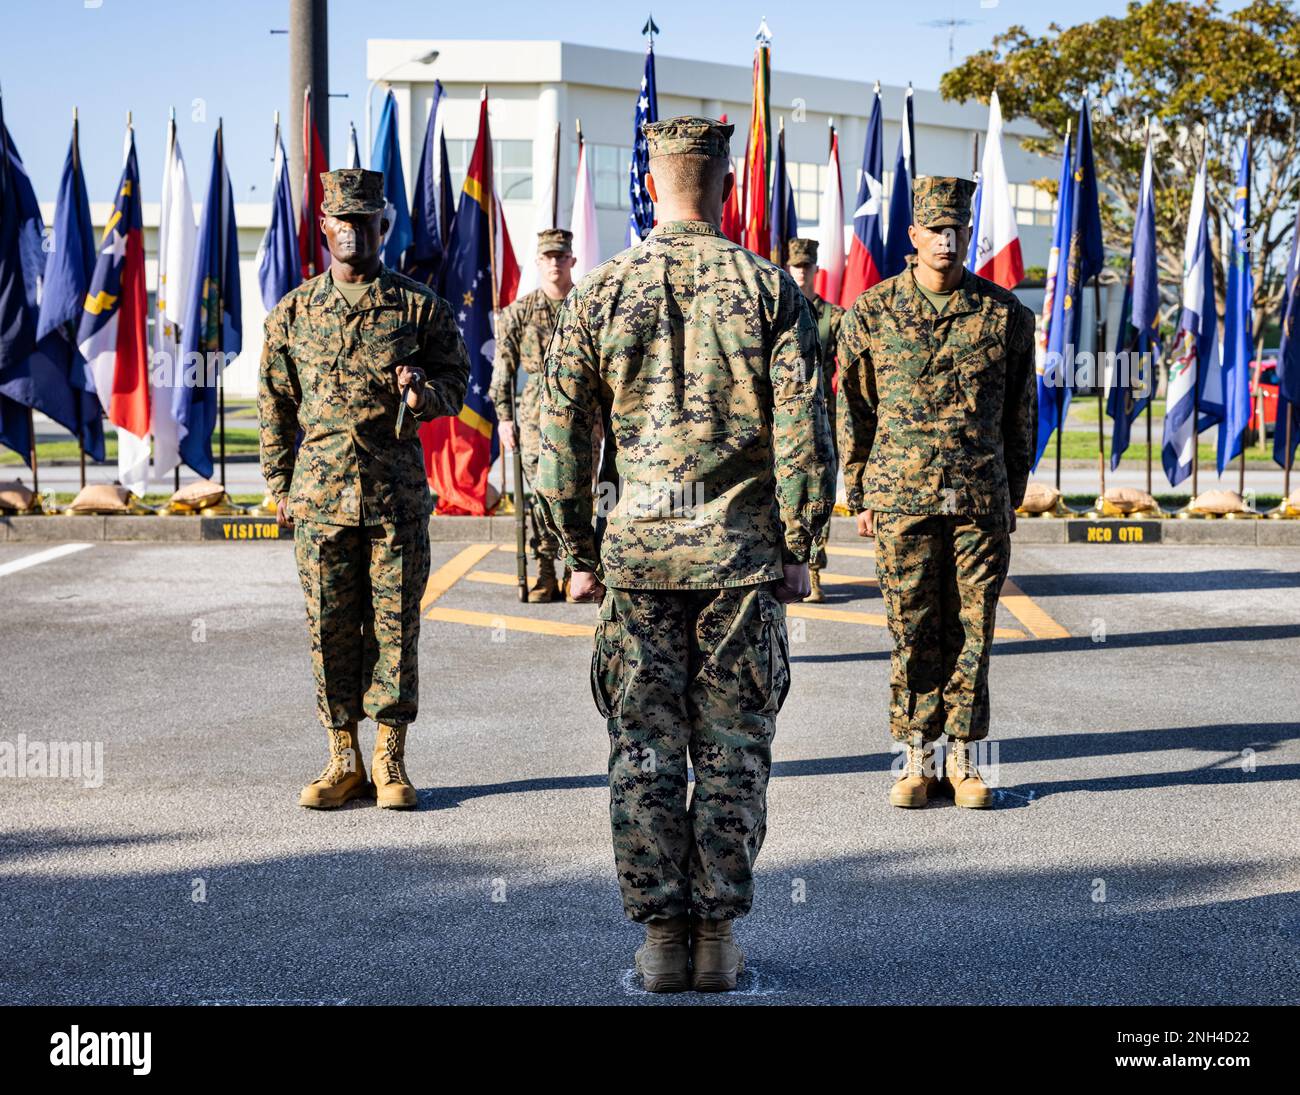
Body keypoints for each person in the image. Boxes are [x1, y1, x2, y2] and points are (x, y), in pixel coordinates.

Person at [536, 117, 836, 992]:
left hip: (637, 562)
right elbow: (805, 437)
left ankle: (663, 939)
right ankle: (719, 940)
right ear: (727, 183)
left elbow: (558, 442)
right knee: (735, 747)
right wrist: (802, 544)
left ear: (650, 181)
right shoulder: (772, 290)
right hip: (740, 564)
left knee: (644, 748)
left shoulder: (599, 292)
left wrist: (576, 549)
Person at [259, 168, 470, 810]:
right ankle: (341, 756)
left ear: (384, 227)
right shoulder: (294, 312)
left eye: (365, 221)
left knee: (394, 628)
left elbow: (456, 385)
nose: (354, 231)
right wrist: (278, 483)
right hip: (320, 500)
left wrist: (421, 394)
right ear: (325, 228)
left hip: (395, 500)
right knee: (327, 626)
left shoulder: (418, 306)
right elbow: (274, 402)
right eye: (342, 221)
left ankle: (390, 757)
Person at [836, 175, 1036, 810]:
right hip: (902, 499)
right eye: (935, 231)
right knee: (911, 627)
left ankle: (965, 761)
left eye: (958, 231)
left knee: (973, 629)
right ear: (914, 236)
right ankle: (916, 758)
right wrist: (860, 490)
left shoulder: (1005, 315)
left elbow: (1021, 417)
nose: (947, 242)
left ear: (968, 235)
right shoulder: (871, 312)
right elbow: (854, 409)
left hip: (979, 499)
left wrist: (1013, 493)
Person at [489, 228, 577, 602]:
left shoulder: (586, 305)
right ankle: (543, 571)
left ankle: (577, 570)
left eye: (561, 257)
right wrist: (504, 418)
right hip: (534, 419)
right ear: (538, 263)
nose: (555, 263)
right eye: (548, 257)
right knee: (541, 497)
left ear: (572, 261)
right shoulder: (519, 313)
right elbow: (502, 371)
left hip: (580, 417)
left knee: (578, 496)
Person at [786, 237, 844, 602]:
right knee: (789, 493)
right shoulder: (781, 310)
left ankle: (815, 569)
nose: (802, 272)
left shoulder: (832, 317)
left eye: (807, 267)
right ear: (788, 269)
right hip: (785, 420)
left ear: (816, 270)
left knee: (820, 493)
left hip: (823, 415)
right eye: (796, 266)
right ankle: (787, 563)